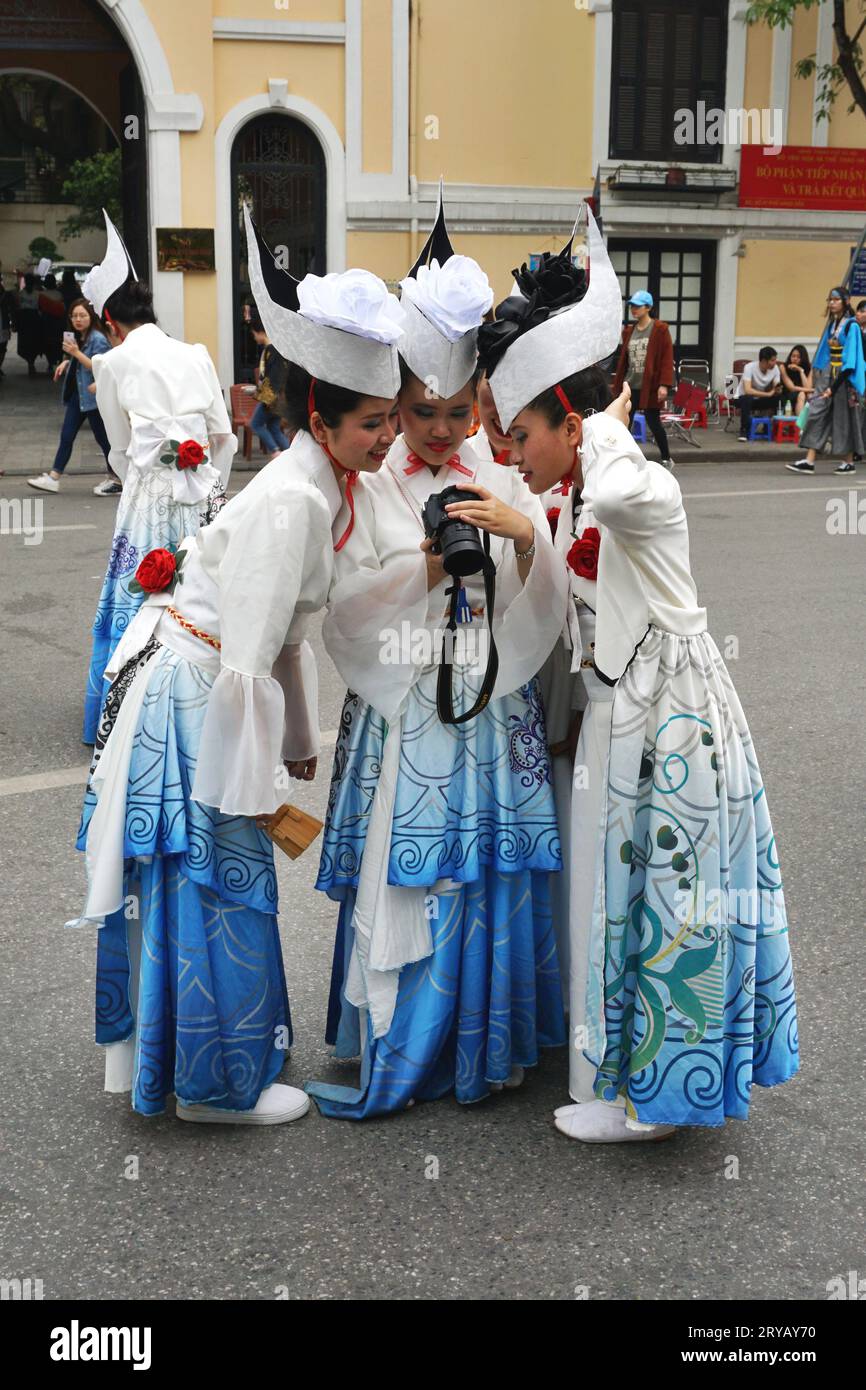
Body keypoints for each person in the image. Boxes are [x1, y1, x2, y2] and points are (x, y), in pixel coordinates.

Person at [70, 206, 405, 1127]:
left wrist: (299, 740)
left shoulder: (328, 484)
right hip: (199, 694)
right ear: (323, 418)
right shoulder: (296, 500)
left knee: (213, 887)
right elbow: (251, 660)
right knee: (221, 883)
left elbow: (284, 640)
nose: (389, 440)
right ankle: (216, 1088)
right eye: (376, 423)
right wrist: (258, 779)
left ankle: (205, 1067)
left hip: (210, 681)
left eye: (388, 421)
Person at [481, 205, 798, 1144]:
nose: (510, 453)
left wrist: (609, 427)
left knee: (669, 909)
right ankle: (624, 1081)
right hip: (622, 717)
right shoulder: (574, 483)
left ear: (567, 422)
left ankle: (656, 1105)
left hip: (674, 722)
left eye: (524, 435)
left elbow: (618, 491)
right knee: (622, 904)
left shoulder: (640, 487)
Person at [306, 192, 568, 1120]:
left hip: (487, 700)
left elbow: (542, 598)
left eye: (460, 413)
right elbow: (346, 606)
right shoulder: (372, 483)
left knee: (482, 869)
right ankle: (406, 1034)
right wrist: (419, 568)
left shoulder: (500, 475)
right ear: (395, 406)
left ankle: (480, 1036)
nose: (441, 433)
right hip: (409, 701)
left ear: (480, 407)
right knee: (411, 871)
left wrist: (525, 535)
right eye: (421, 413)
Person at [81, 212, 236, 745]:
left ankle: (129, 701)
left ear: (109, 323)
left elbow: (119, 449)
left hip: (149, 492)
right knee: (206, 579)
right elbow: (223, 434)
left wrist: (144, 478)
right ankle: (205, 694)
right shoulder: (195, 354)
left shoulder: (112, 364)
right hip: (202, 484)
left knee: (144, 582)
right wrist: (203, 475)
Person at [26, 298, 117, 495]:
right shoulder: (81, 336)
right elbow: (79, 360)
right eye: (74, 316)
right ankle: (53, 478)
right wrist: (66, 361)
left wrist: (75, 353)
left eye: (82, 315)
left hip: (93, 398)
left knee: (104, 440)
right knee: (67, 436)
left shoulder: (98, 339)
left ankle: (117, 478)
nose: (78, 319)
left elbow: (100, 365)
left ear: (91, 317)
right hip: (80, 396)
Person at [787, 287, 865, 475]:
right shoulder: (833, 324)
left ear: (845, 302)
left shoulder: (851, 326)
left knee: (843, 421)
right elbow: (826, 353)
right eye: (830, 299)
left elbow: (851, 361)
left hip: (845, 379)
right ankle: (809, 460)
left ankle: (847, 462)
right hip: (830, 374)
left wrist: (834, 387)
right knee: (816, 413)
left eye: (836, 299)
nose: (831, 303)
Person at [611, 290, 674, 469]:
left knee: (654, 422)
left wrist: (664, 385)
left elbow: (666, 358)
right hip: (630, 385)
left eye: (638, 306)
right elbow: (624, 359)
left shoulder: (660, 329)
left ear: (648, 307)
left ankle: (666, 458)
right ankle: (623, 459)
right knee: (624, 422)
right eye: (632, 305)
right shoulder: (629, 331)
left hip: (650, 386)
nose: (633, 309)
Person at [249, 314, 290, 457]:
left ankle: (275, 452)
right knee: (273, 427)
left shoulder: (272, 350)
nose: (254, 337)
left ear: (260, 332)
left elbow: (274, 378)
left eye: (254, 334)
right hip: (276, 397)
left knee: (255, 424)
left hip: (271, 398)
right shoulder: (274, 349)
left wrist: (265, 397)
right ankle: (289, 455)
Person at [736, 345, 781, 440]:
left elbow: (777, 385)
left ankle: (768, 427)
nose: (775, 363)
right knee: (747, 398)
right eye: (772, 360)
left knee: (778, 399)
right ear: (764, 361)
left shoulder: (775, 368)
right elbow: (748, 390)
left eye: (775, 360)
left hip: (759, 399)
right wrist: (768, 394)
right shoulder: (749, 367)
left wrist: (777, 389)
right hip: (743, 398)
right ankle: (743, 430)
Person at [38, 272, 66, 372]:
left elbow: (39, 309)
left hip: (46, 322)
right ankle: (58, 359)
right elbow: (62, 309)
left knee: (47, 342)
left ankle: (50, 363)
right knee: (58, 341)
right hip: (58, 322)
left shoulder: (41, 295)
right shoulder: (59, 294)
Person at [15, 272, 42, 375]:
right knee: (34, 341)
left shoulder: (21, 293)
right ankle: (31, 362)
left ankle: (30, 363)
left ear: (25, 282)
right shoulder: (37, 293)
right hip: (34, 319)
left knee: (25, 341)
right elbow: (40, 307)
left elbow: (17, 307)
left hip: (24, 319)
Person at [779, 345, 812, 417]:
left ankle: (802, 423)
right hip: (786, 397)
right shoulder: (783, 367)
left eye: (798, 357)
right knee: (803, 394)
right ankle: (800, 425)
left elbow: (807, 387)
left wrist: (800, 370)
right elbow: (791, 388)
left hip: (802, 397)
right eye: (793, 356)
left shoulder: (807, 369)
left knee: (806, 394)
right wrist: (811, 389)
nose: (795, 359)